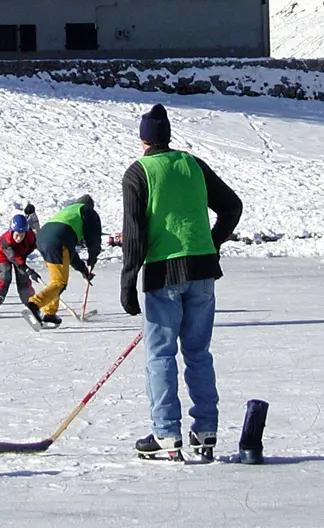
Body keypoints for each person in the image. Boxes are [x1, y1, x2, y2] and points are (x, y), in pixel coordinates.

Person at [120, 103, 241, 463]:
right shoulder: (193, 165)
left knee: (161, 355)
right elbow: (232, 207)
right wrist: (211, 242)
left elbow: (134, 234)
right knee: (198, 353)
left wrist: (128, 282)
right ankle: (205, 429)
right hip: (203, 271)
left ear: (143, 139)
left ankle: (166, 432)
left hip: (163, 274)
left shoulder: (138, 173)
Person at [25, 194, 102, 328]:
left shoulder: (69, 213)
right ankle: (34, 304)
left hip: (43, 239)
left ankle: (49, 314)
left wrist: (83, 270)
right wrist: (93, 257)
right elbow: (94, 238)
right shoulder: (88, 211)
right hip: (57, 241)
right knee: (59, 283)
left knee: (56, 280)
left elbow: (70, 254)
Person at [0, 213, 37, 316]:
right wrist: (28, 269)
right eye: (17, 235)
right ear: (12, 231)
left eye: (22, 235)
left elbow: (37, 244)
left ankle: (30, 302)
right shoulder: (6, 241)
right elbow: (13, 257)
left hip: (20, 255)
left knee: (23, 276)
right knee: (5, 274)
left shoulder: (31, 236)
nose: (19, 238)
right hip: (4, 255)